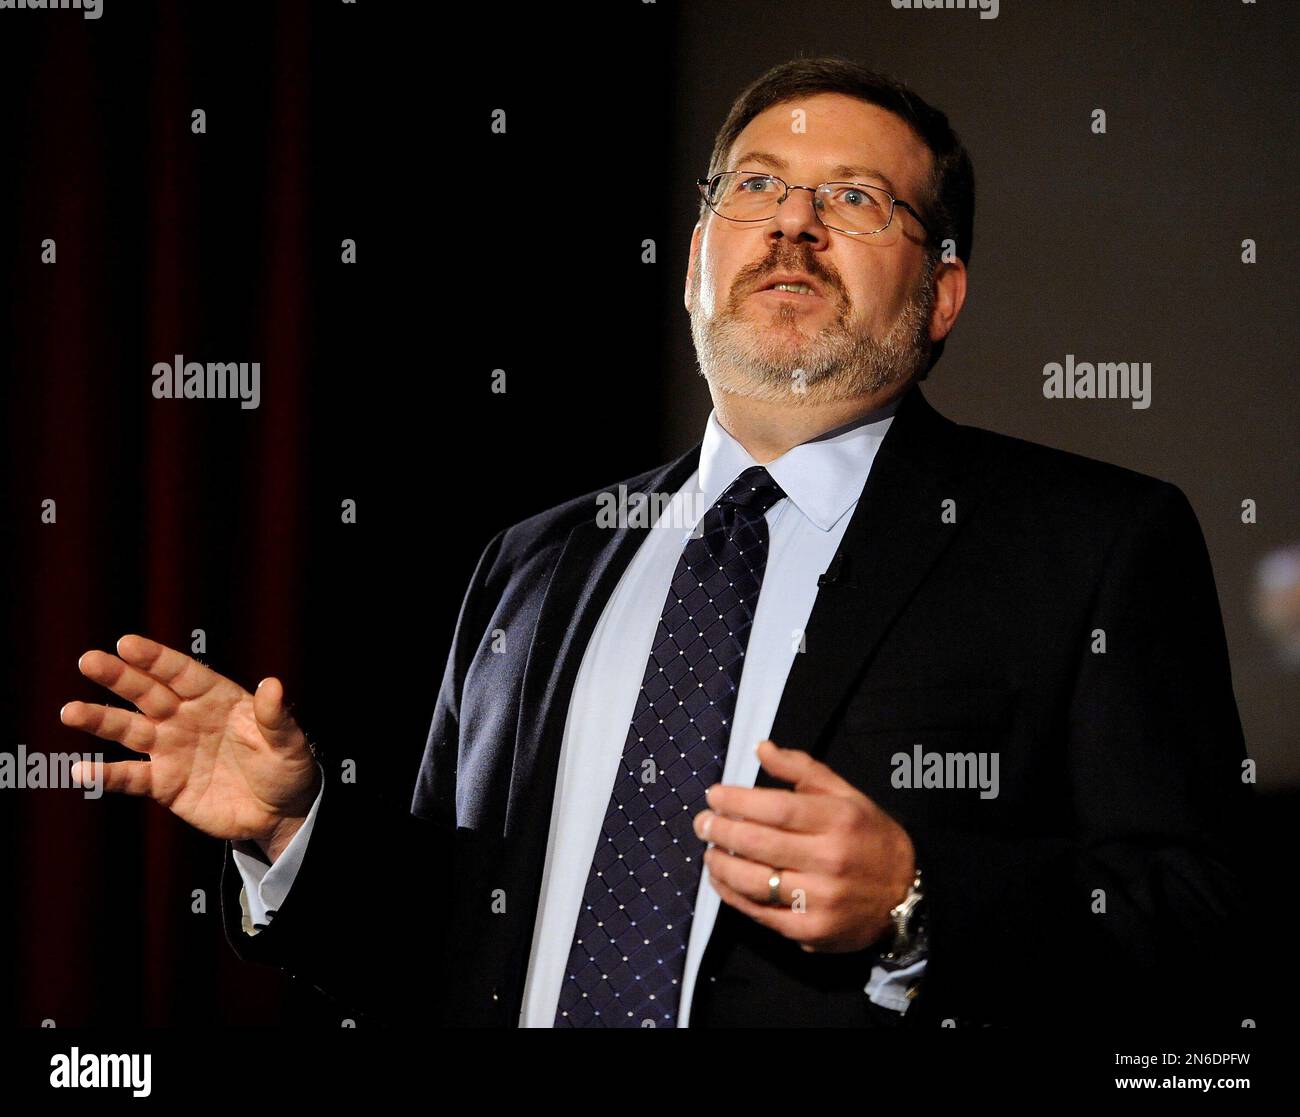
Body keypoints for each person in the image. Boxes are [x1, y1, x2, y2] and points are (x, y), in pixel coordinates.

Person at [61, 58, 1254, 1029]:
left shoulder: (1093, 542)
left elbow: (1200, 924)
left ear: (940, 295)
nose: (792, 222)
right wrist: (295, 827)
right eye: (754, 188)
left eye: (853, 199)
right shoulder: (533, 560)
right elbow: (453, 939)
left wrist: (917, 900)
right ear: (694, 263)